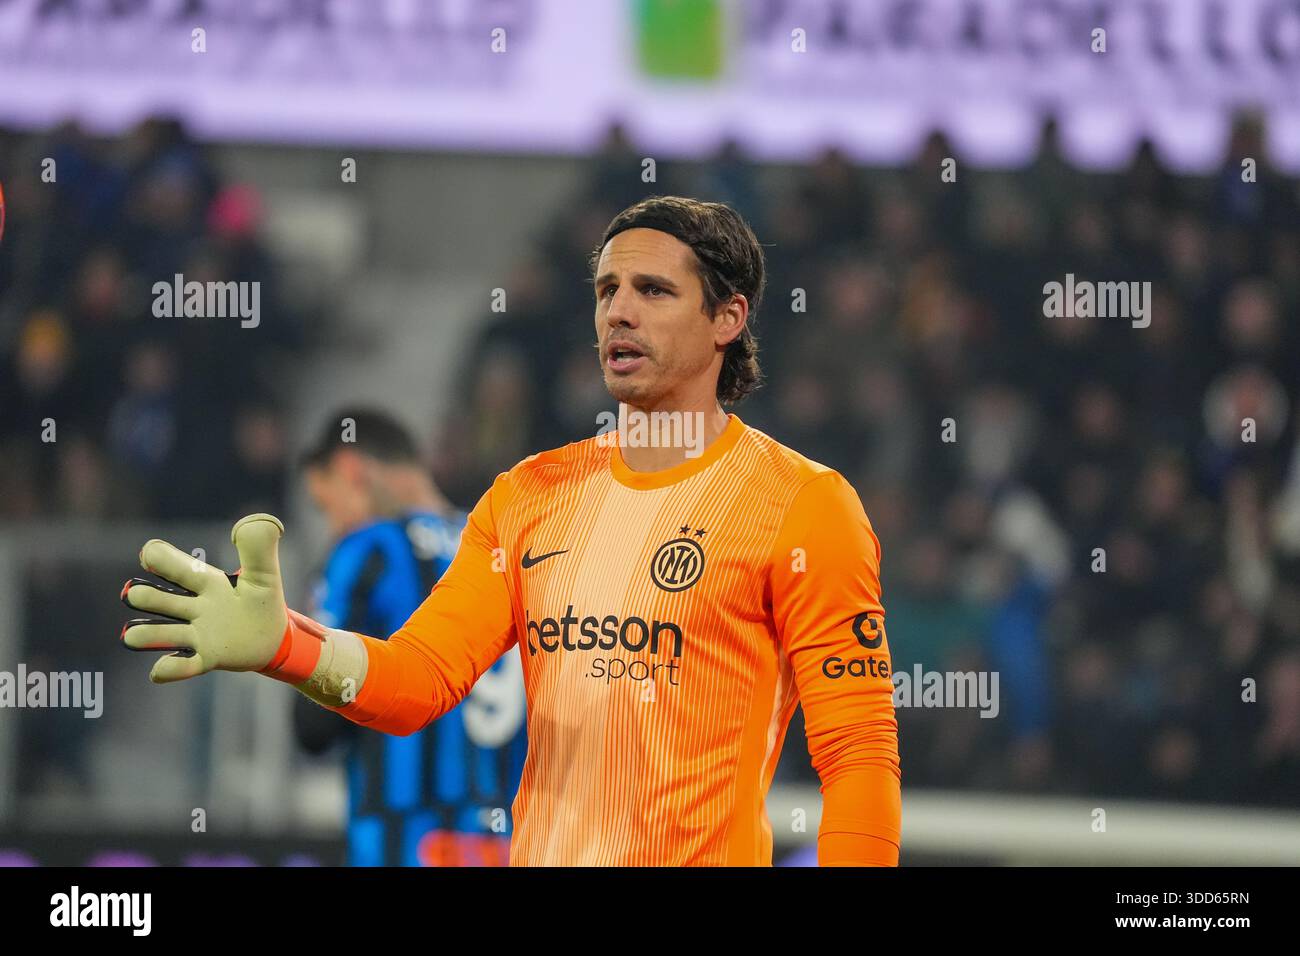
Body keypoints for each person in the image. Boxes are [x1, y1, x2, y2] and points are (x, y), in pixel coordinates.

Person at [121, 195, 902, 866]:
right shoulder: (530, 496)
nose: (618, 311)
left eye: (654, 290)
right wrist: (287, 647)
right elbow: (417, 682)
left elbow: (858, 753)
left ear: (728, 317)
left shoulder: (804, 506)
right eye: (606, 289)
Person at [294, 408, 525, 866]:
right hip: (513, 841)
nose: (334, 523)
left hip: (403, 841)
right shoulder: (506, 550)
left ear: (351, 471)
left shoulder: (365, 551)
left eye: (326, 505)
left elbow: (313, 727)